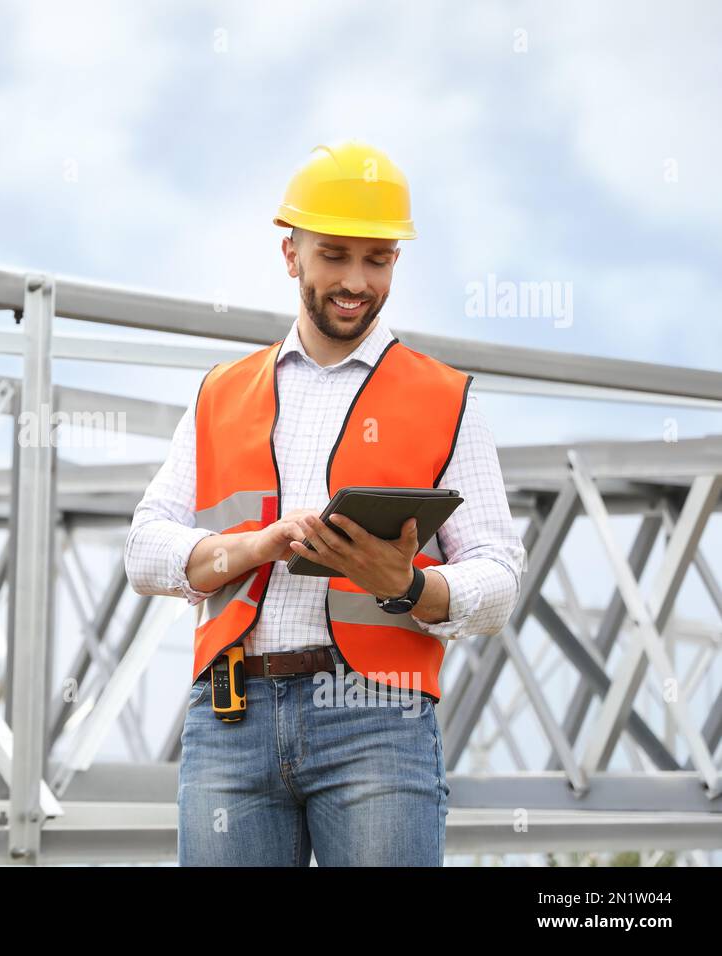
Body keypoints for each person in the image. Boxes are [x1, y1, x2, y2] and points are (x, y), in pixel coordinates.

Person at [124, 139, 526, 866]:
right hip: (230, 714)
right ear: (292, 255)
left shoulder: (447, 399)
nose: (356, 280)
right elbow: (144, 547)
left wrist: (408, 586)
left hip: (380, 720)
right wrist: (248, 547)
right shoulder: (220, 391)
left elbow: (498, 579)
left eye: (377, 260)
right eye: (335, 255)